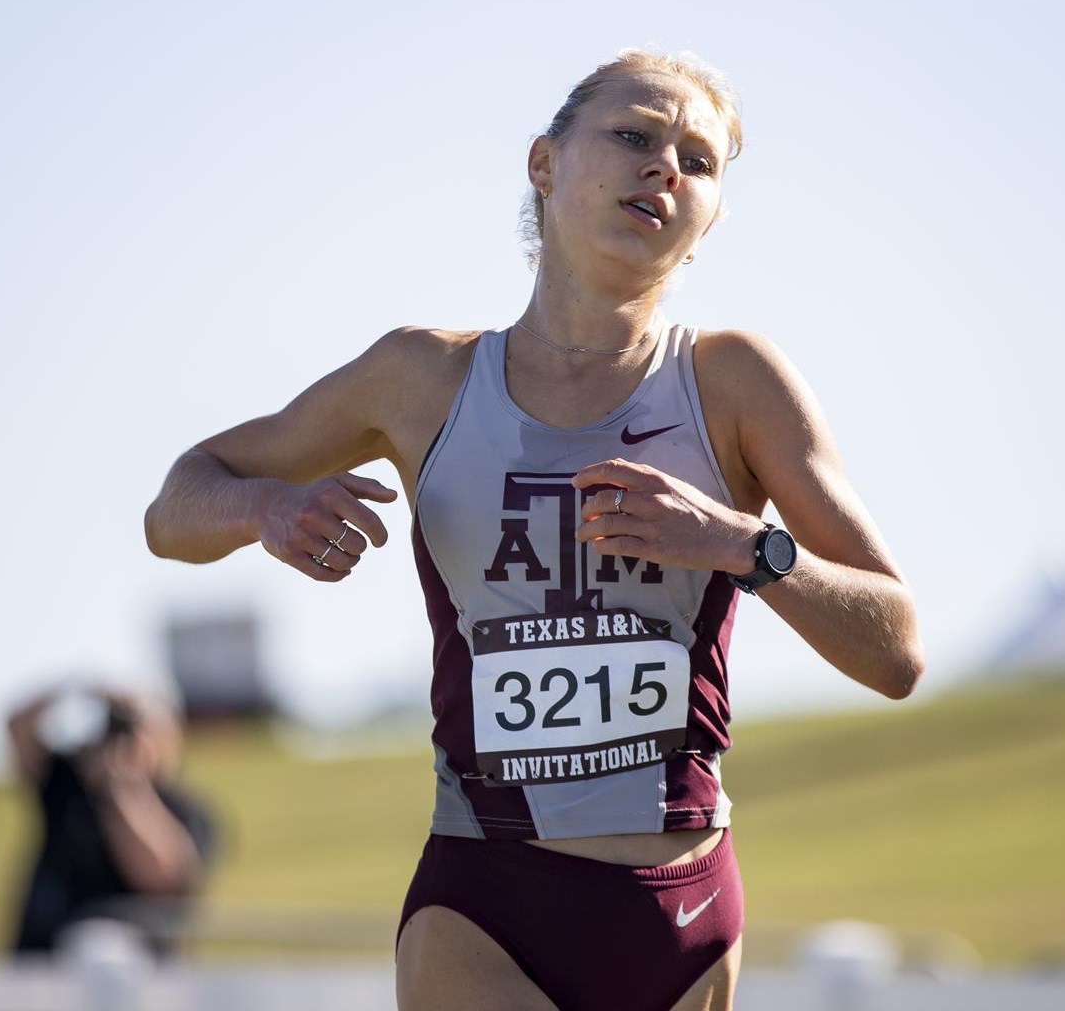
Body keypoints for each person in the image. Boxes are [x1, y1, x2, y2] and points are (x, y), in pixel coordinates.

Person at [144, 49, 924, 1011]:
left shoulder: (733, 384)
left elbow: (897, 650)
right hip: (486, 901)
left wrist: (736, 543)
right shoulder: (421, 378)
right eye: (634, 135)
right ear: (544, 165)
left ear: (711, 217)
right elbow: (176, 506)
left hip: (676, 907)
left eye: (698, 159)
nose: (665, 167)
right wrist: (265, 507)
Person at [6, 684, 217, 958]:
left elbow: (162, 877)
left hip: (137, 975)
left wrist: (120, 791)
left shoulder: (188, 811)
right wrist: (73, 689)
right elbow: (17, 728)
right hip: (43, 965)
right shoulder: (67, 783)